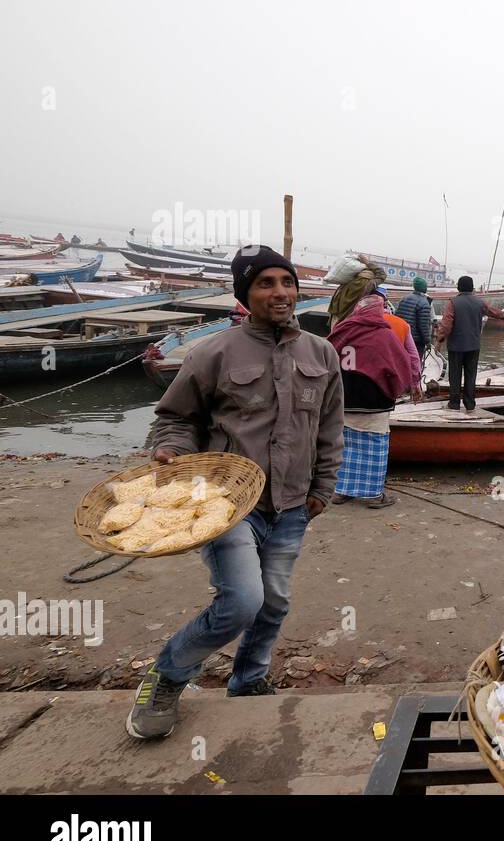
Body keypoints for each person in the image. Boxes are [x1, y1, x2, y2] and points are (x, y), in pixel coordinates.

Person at [132, 246, 343, 740]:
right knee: (241, 602)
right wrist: (169, 451)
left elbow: (331, 428)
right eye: (265, 283)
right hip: (226, 504)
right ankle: (165, 678)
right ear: (245, 294)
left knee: (273, 602)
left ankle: (247, 681)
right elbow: (176, 419)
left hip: (292, 505)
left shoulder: (322, 353)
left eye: (286, 282)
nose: (280, 292)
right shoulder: (213, 352)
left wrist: (324, 486)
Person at [329, 292, 420, 509]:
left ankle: (341, 491)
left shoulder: (343, 329)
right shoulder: (384, 336)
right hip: (374, 401)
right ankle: (372, 494)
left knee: (343, 445)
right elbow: (401, 364)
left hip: (343, 398)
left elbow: (326, 354)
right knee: (374, 446)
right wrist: (406, 386)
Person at [435, 275, 504, 410]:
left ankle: (454, 403)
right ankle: (470, 403)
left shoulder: (453, 303)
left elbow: (446, 325)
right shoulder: (479, 302)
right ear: (472, 288)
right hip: (473, 346)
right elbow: (493, 312)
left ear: (458, 288)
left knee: (455, 376)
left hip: (456, 346)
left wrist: (439, 340)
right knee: (471, 375)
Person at [395, 277, 433, 362]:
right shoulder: (424, 303)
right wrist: (427, 341)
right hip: (416, 341)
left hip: (401, 337)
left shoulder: (404, 299)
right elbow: (423, 326)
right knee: (415, 363)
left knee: (401, 362)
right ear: (425, 288)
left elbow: (396, 316)